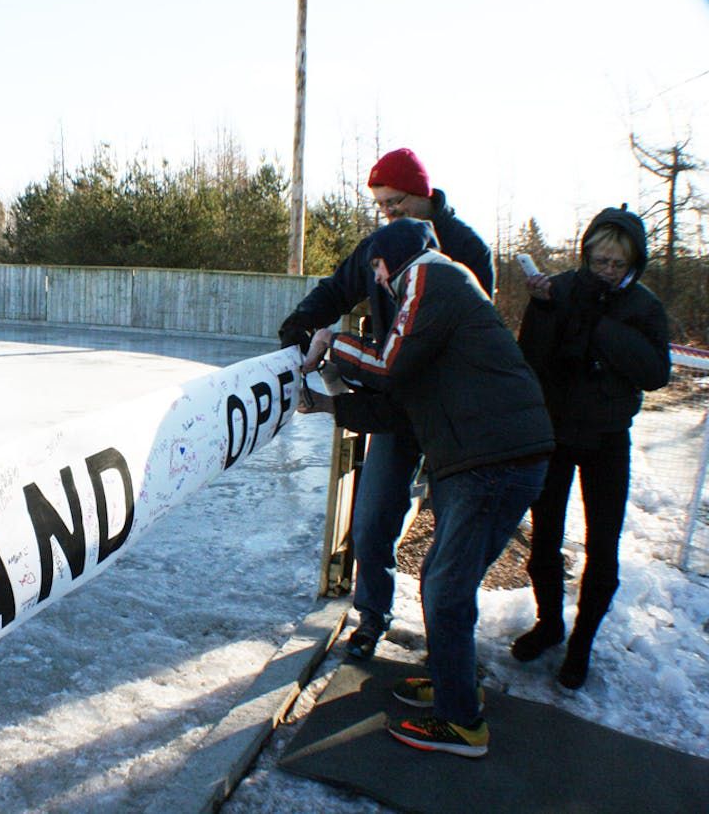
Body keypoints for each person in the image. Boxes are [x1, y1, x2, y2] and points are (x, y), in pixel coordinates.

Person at [298, 218, 553, 757]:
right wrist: (324, 403)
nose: (375, 281)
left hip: (491, 461)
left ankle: (462, 722)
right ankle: (449, 679)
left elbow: (387, 367)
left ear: (387, 260)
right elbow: (396, 402)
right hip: (496, 458)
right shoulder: (439, 294)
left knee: (444, 588)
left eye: (374, 269)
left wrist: (333, 341)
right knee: (445, 579)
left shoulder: (428, 276)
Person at [279, 147, 494, 660]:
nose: (389, 213)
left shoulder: (467, 250)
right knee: (372, 519)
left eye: (396, 202)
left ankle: (449, 647)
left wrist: (347, 352)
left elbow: (468, 334)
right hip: (394, 408)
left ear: (424, 193)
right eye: (381, 205)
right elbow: (338, 288)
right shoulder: (380, 244)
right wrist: (301, 321)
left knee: (454, 535)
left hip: (451, 416)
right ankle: (372, 615)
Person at [511, 206, 670, 689]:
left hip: (606, 439)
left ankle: (581, 644)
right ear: (586, 254)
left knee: (603, 546)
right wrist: (541, 308)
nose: (606, 271)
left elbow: (655, 373)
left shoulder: (643, 307)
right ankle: (549, 623)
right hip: (556, 434)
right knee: (544, 538)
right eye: (599, 261)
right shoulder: (561, 288)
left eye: (617, 264)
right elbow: (530, 358)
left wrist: (600, 326)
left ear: (634, 264)